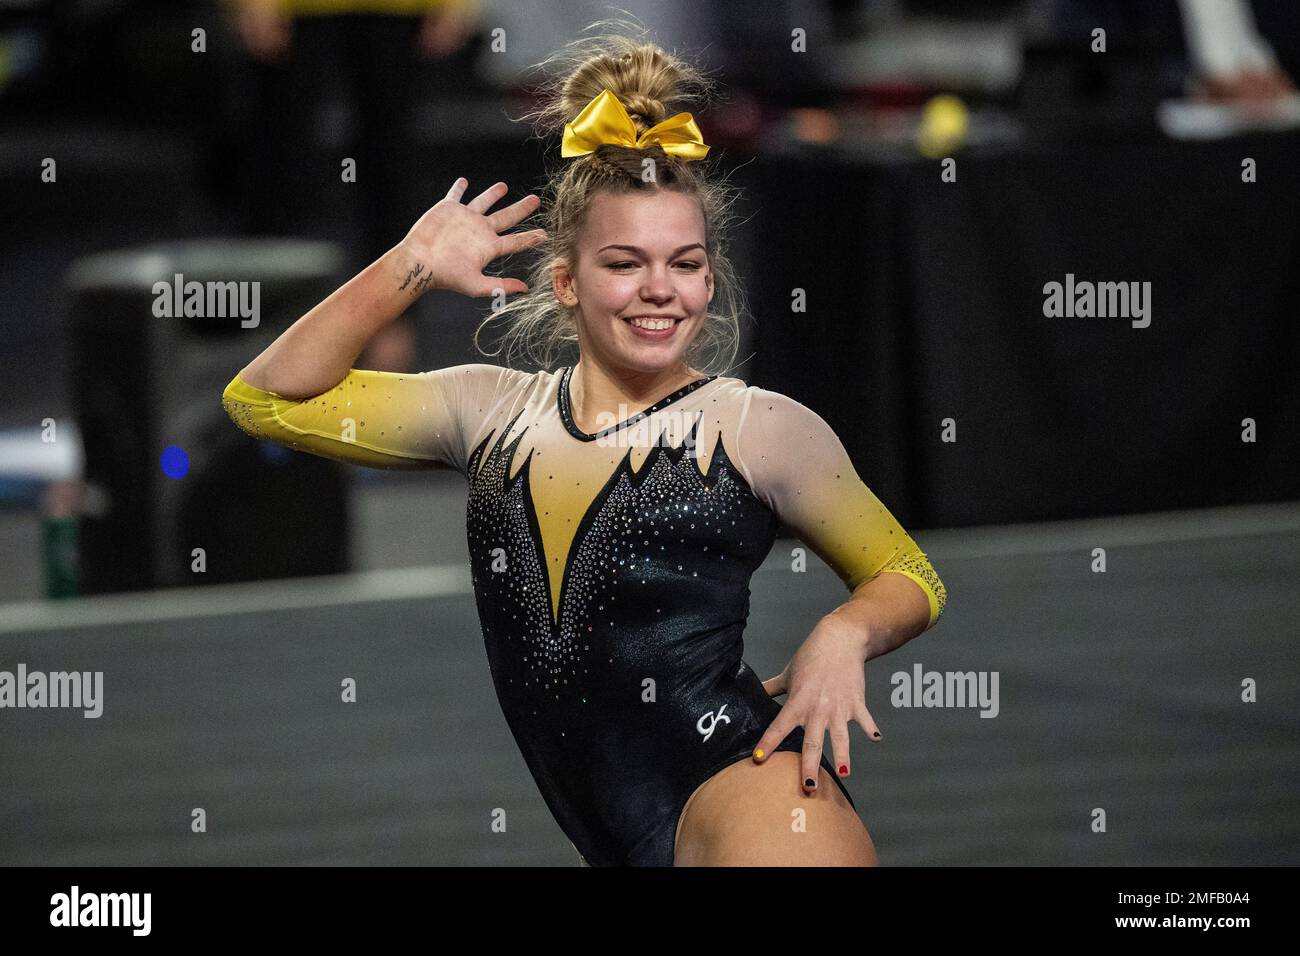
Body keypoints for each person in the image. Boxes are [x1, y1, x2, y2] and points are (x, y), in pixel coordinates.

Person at [221, 31, 948, 866]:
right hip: (612, 837)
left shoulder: (757, 428)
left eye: (685, 264)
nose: (659, 290)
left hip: (752, 797)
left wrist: (845, 635)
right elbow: (265, 400)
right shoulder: (487, 411)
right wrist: (410, 263)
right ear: (566, 281)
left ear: (709, 280)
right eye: (624, 263)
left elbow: (908, 574)